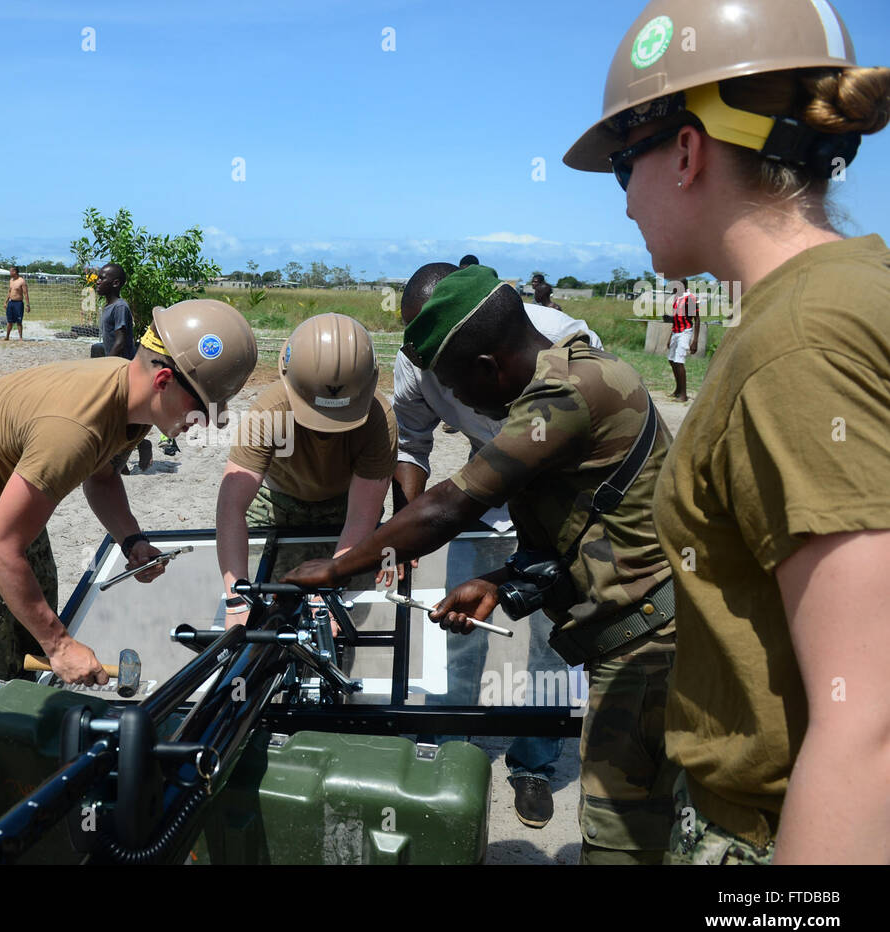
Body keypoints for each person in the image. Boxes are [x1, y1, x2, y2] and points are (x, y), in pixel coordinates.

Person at [564, 0, 890, 864]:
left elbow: (869, 724)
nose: (624, 201)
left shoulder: (800, 343)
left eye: (620, 166)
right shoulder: (841, 297)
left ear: (683, 150)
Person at [286, 266, 678, 864]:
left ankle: (535, 767)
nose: (456, 406)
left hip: (649, 649)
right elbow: (577, 531)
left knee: (622, 842)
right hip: (638, 633)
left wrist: (340, 567)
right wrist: (499, 582)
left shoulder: (563, 397)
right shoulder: (558, 372)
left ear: (489, 368)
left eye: (456, 387)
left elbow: (447, 506)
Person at [0, 300, 257, 688]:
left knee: (31, 618)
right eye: (204, 408)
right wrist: (60, 646)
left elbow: (102, 477)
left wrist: (132, 539)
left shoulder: (136, 401)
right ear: (163, 381)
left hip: (0, 484)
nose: (208, 422)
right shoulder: (74, 429)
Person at [393, 262, 602, 829]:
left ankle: (534, 761)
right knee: (457, 621)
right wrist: (406, 534)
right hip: (481, 488)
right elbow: (411, 446)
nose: (426, 352)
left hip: (554, 492)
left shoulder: (558, 336)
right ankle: (449, 738)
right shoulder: (415, 360)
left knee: (553, 639)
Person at [216, 313, 396, 619]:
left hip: (344, 511)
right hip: (276, 506)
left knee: (341, 615)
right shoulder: (268, 412)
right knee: (269, 611)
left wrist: (330, 592)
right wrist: (237, 598)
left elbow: (360, 518)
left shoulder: (380, 421)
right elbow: (231, 506)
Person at [95, 263, 153, 472]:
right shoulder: (109, 306)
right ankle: (123, 459)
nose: (98, 281)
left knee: (120, 414)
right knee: (116, 415)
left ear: (116, 283)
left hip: (124, 368)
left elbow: (120, 340)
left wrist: (107, 364)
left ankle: (140, 445)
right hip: (116, 365)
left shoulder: (120, 307)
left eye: (102, 278)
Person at [665, 279, 698, 401]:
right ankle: (678, 390)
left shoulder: (690, 298)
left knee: (679, 361)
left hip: (685, 331)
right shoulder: (676, 298)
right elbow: (675, 319)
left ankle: (683, 395)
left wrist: (695, 341)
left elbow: (697, 319)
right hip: (676, 332)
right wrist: (670, 337)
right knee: (672, 360)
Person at [4, 266, 30, 341]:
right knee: (9, 321)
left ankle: (20, 337)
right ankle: (7, 336)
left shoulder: (22, 281)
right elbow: (9, 292)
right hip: (11, 303)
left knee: (19, 321)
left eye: (11, 271)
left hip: (18, 304)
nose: (10, 273)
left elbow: (25, 294)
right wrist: (5, 302)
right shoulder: (11, 280)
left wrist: (28, 305)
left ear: (15, 272)